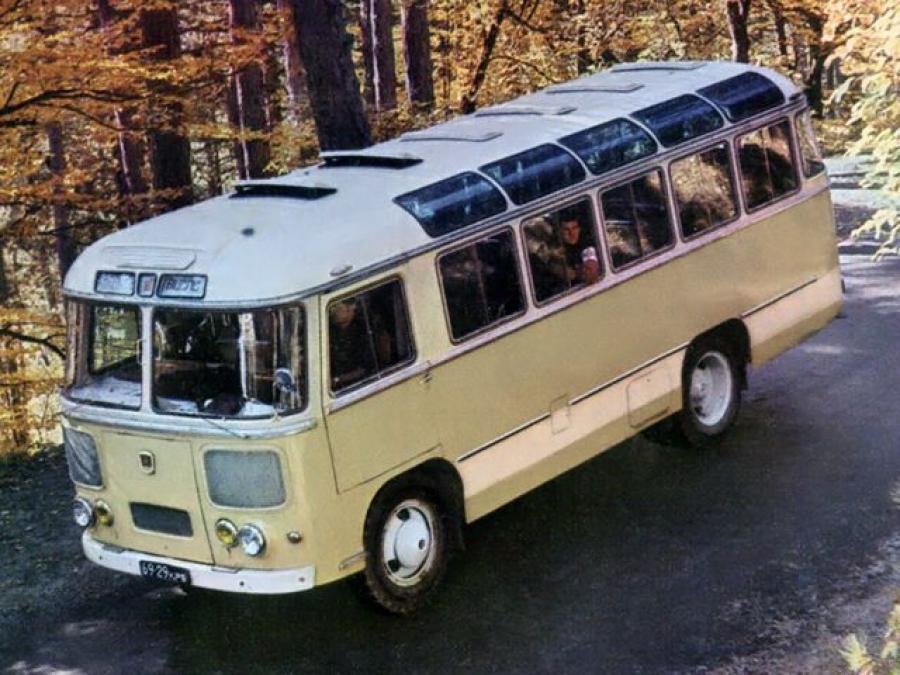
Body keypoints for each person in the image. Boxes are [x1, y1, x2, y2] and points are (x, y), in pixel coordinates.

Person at [558, 214, 601, 286]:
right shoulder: (557, 248)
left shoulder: (586, 245)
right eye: (566, 230)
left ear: (579, 229)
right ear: (560, 232)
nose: (571, 233)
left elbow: (591, 273)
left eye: (574, 228)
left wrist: (574, 273)